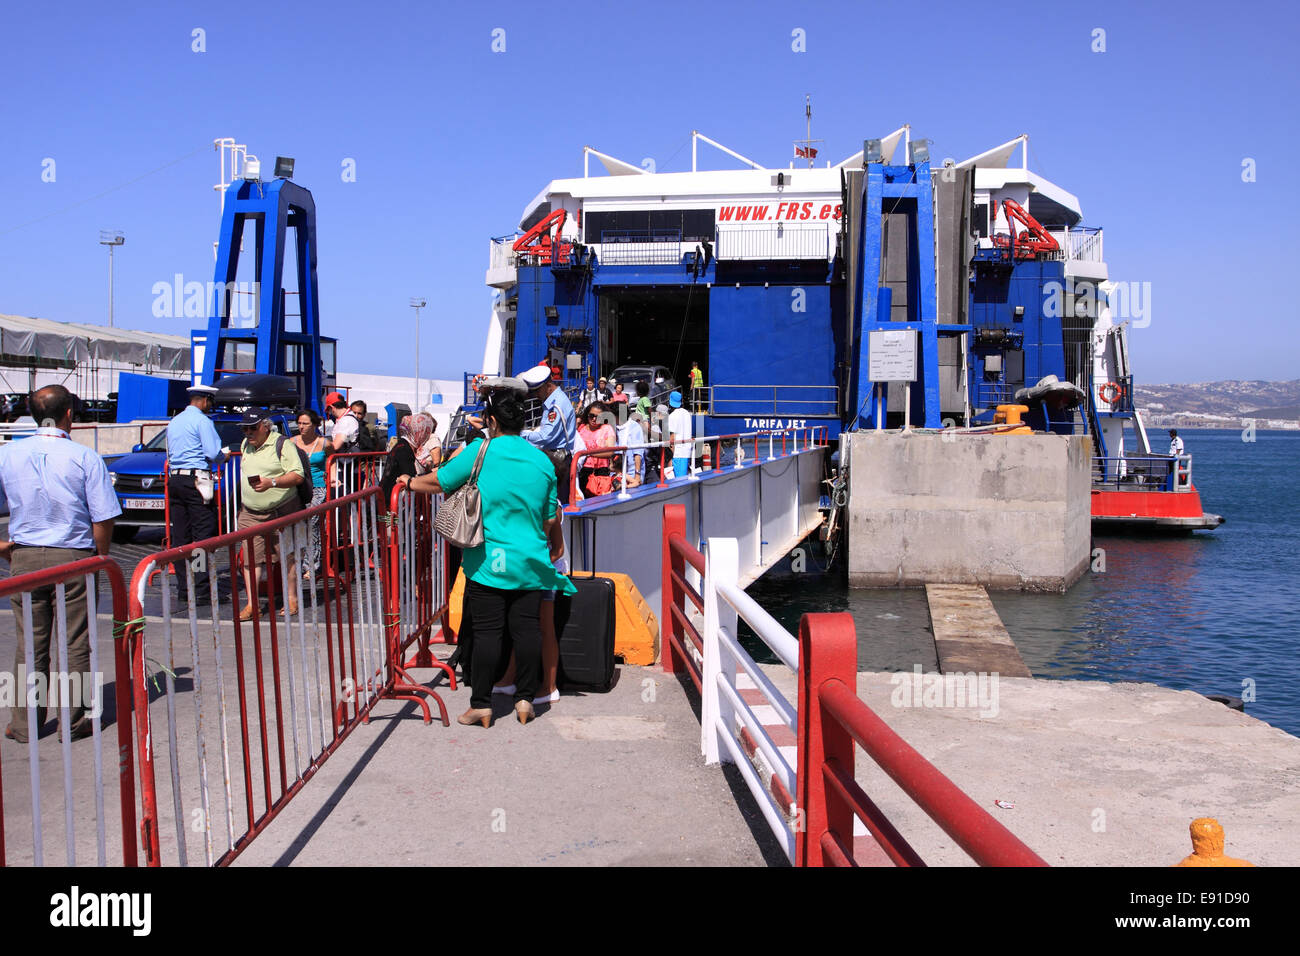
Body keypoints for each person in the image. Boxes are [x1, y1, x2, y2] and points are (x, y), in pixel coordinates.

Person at [398, 389, 575, 726]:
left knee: (487, 633)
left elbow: (441, 480)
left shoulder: (482, 450)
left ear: (492, 421)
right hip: (530, 561)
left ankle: (481, 704)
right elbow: (551, 515)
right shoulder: (542, 460)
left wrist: (408, 482)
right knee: (527, 631)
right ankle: (525, 700)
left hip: (488, 561)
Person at [0, 385, 121, 743]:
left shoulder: (8, 454)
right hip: (72, 558)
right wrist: (99, 558)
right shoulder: (84, 457)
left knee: (29, 644)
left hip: (24, 556)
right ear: (69, 413)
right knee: (76, 641)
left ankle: (24, 724)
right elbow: (103, 518)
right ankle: (76, 720)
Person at [236, 409, 306, 621]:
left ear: (265, 426)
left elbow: (298, 475)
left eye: (253, 427)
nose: (248, 432)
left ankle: (292, 599)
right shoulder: (245, 445)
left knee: (289, 556)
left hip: (282, 510)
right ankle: (252, 604)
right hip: (250, 512)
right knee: (250, 559)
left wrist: (272, 483)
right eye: (244, 428)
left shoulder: (283, 444)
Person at [166, 383, 228, 604]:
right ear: (203, 400)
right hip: (196, 480)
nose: (210, 406)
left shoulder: (175, 421)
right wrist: (224, 457)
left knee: (181, 537)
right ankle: (201, 588)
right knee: (202, 536)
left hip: (175, 479)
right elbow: (212, 453)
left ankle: (184, 588)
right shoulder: (203, 421)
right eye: (210, 402)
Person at [519, 364, 577, 505]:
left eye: (537, 391)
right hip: (556, 458)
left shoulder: (555, 406)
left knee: (557, 504)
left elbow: (546, 437)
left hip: (559, 460)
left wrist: (519, 433)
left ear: (548, 386)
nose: (535, 395)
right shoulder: (554, 401)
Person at [292, 408, 328, 577]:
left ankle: (312, 565)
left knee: (312, 523)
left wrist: (334, 477)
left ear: (314, 425)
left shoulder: (324, 443)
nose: (301, 427)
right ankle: (297, 562)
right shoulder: (291, 443)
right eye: (299, 423)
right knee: (298, 525)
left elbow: (332, 462)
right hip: (299, 488)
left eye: (305, 423)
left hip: (318, 487)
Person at [379, 412, 435, 511]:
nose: (426, 436)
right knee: (390, 524)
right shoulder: (404, 449)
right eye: (424, 432)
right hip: (390, 502)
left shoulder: (403, 445)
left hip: (392, 499)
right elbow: (410, 474)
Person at [577, 401, 618, 496]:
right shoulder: (581, 428)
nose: (594, 419)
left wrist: (589, 453)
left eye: (598, 417)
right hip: (582, 470)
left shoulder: (607, 428)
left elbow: (610, 452)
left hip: (600, 472)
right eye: (592, 415)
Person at [667, 390, 693, 478]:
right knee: (685, 477)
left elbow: (672, 438)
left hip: (678, 453)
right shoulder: (687, 413)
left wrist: (671, 457)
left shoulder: (672, 416)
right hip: (687, 450)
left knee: (679, 481)